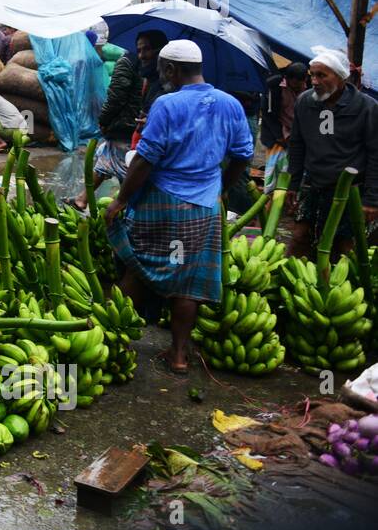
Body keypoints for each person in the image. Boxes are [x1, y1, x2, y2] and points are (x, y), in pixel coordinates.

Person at [105, 40, 254, 373]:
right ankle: (179, 356)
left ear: (170, 69)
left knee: (139, 269)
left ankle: (112, 339)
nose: (161, 76)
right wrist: (221, 188)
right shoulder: (230, 104)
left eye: (162, 70)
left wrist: (121, 199)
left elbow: (145, 159)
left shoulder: (166, 104)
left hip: (162, 201)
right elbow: (243, 155)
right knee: (190, 283)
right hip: (203, 207)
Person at [285, 47, 378, 258]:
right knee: (299, 238)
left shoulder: (366, 107)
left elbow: (375, 155)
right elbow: (297, 145)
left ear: (341, 77)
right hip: (314, 184)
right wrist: (293, 183)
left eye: (321, 75)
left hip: (352, 191)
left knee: (344, 247)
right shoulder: (305, 102)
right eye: (312, 75)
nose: (315, 81)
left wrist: (372, 199)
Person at [72, 30, 168, 211]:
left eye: (147, 50)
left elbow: (116, 96)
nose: (142, 55)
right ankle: (84, 199)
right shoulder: (143, 69)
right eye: (139, 50)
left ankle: (123, 206)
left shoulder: (159, 77)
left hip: (131, 128)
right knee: (107, 156)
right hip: (132, 128)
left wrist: (105, 120)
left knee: (130, 169)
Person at [260, 62, 308, 191]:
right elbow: (268, 114)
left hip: (299, 134)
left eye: (302, 83)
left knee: (295, 171)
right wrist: (279, 137)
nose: (299, 87)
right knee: (276, 169)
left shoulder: (310, 89)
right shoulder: (274, 86)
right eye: (296, 84)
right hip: (278, 136)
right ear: (287, 79)